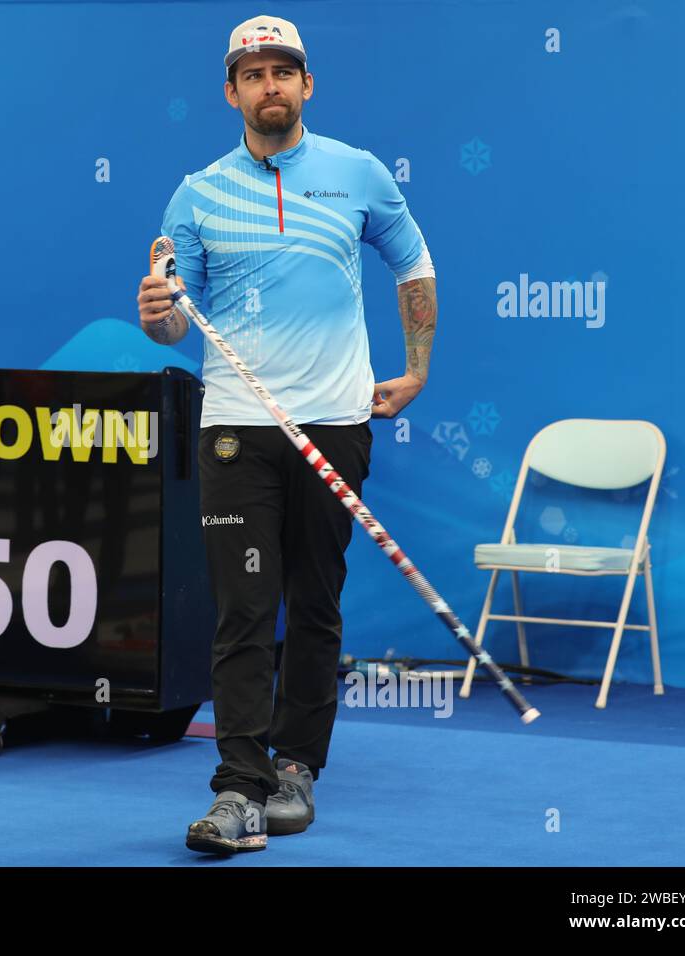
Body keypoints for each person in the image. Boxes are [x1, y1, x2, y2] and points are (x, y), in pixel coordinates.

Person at [135, 14, 438, 854]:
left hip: (335, 423)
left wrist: (413, 371)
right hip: (237, 425)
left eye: (284, 71)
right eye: (253, 72)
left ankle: (298, 766)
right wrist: (157, 316)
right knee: (243, 608)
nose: (270, 85)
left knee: (314, 600)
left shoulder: (360, 174)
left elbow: (412, 263)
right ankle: (239, 788)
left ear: (307, 84)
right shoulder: (197, 193)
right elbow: (174, 319)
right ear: (230, 91)